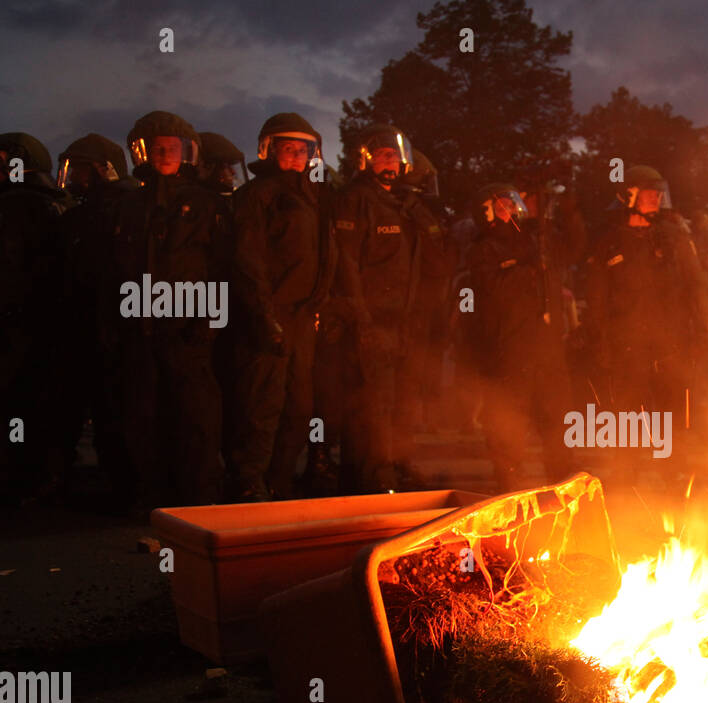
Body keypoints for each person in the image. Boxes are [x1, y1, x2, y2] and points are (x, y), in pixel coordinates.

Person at [110, 112, 231, 510]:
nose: (164, 154)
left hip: (188, 324)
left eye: (172, 148)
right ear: (143, 152)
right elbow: (114, 266)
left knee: (196, 413)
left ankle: (197, 496)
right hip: (141, 321)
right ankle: (150, 495)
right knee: (143, 410)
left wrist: (210, 320)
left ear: (187, 153)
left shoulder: (204, 203)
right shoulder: (130, 203)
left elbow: (222, 264)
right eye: (157, 148)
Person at [226, 113, 337, 501]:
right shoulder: (258, 195)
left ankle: (280, 481)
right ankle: (248, 483)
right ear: (270, 151)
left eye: (302, 150)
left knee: (298, 405)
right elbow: (248, 259)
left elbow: (326, 256)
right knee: (262, 404)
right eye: (288, 149)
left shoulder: (314, 197)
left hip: (303, 317)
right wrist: (263, 315)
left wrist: (319, 304)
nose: (295, 156)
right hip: (269, 317)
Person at [334, 123, 443, 493]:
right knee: (374, 400)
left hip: (404, 320)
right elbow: (346, 261)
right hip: (372, 319)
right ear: (366, 160)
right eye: (382, 155)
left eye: (394, 156)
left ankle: (399, 461)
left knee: (404, 396)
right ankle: (374, 472)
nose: (390, 162)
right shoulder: (355, 199)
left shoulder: (403, 204)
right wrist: (360, 316)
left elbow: (434, 254)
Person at [585, 164, 707, 486]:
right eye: (649, 193)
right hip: (627, 347)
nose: (656, 198)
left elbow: (695, 286)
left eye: (658, 193)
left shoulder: (674, 238)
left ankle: (672, 480)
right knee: (627, 415)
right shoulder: (610, 242)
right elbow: (596, 297)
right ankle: (626, 483)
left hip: (669, 345)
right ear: (630, 196)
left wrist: (700, 332)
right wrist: (600, 343)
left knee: (669, 415)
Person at [0, 132, 68, 503]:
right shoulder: (50, 205)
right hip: (33, 325)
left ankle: (6, 478)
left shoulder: (10, 209)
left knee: (4, 403)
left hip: (7, 328)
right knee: (30, 403)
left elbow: (1, 273)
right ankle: (31, 474)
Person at [466, 183, 576, 490]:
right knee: (508, 437)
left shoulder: (537, 241)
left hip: (548, 354)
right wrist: (523, 269)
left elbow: (572, 248)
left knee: (557, 429)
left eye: (512, 205)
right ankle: (512, 498)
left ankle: (562, 495)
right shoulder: (483, 248)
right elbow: (492, 291)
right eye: (502, 206)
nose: (511, 211)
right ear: (486, 212)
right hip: (510, 355)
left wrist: (567, 207)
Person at [55, 133, 136, 500]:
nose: (73, 177)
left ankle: (120, 483)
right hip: (80, 322)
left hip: (111, 325)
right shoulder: (77, 217)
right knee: (74, 405)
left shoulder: (126, 210)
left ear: (101, 170)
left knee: (112, 407)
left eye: (80, 169)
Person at [198, 132, 247, 198]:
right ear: (207, 167)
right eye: (225, 166)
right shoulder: (204, 202)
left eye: (231, 166)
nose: (233, 172)